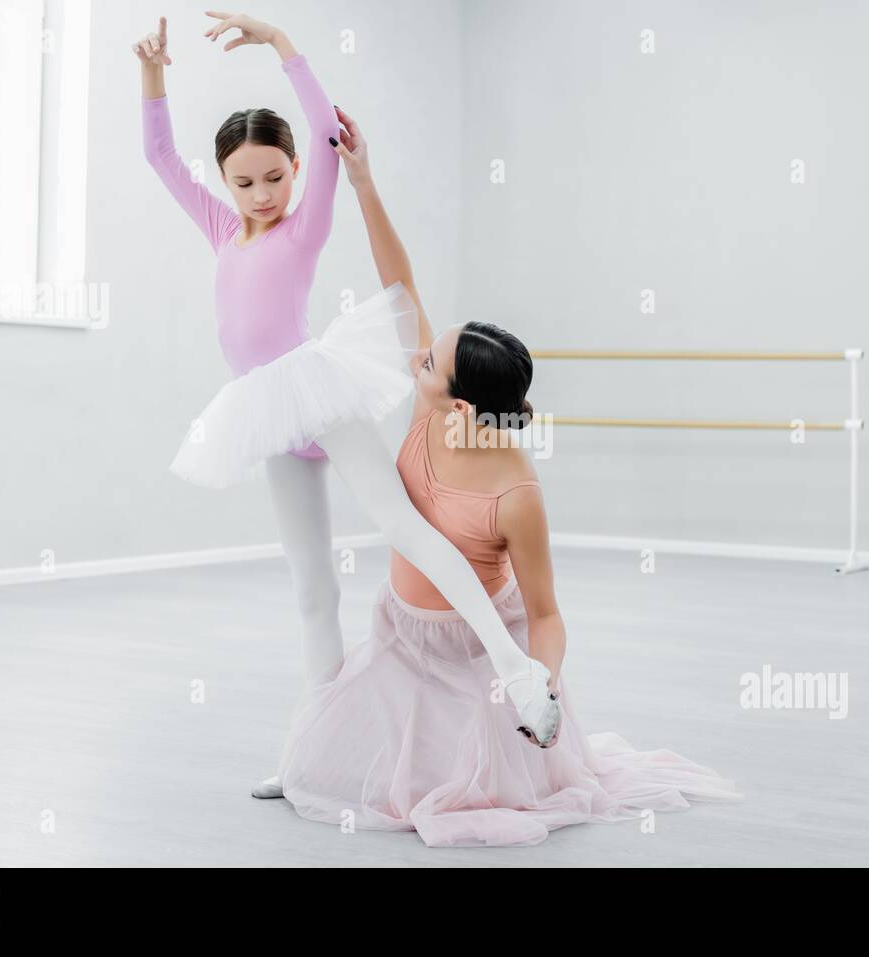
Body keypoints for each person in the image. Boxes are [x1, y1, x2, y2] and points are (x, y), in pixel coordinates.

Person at [250, 105, 744, 847]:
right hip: (400, 639)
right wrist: (362, 181)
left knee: (471, 791)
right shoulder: (430, 403)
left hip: (476, 653)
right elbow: (400, 282)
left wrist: (534, 681)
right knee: (329, 770)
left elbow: (545, 614)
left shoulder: (515, 493)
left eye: (427, 360)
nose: (414, 356)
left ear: (456, 399)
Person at [132, 13, 561, 776]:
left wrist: (281, 45)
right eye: (244, 181)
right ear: (225, 181)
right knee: (312, 585)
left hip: (317, 393)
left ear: (297, 169)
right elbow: (159, 156)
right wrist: (153, 76)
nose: (261, 192)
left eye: (274, 176)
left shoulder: (305, 224)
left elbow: (329, 128)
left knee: (401, 525)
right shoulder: (220, 228)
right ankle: (312, 755)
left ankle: (517, 668)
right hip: (265, 414)